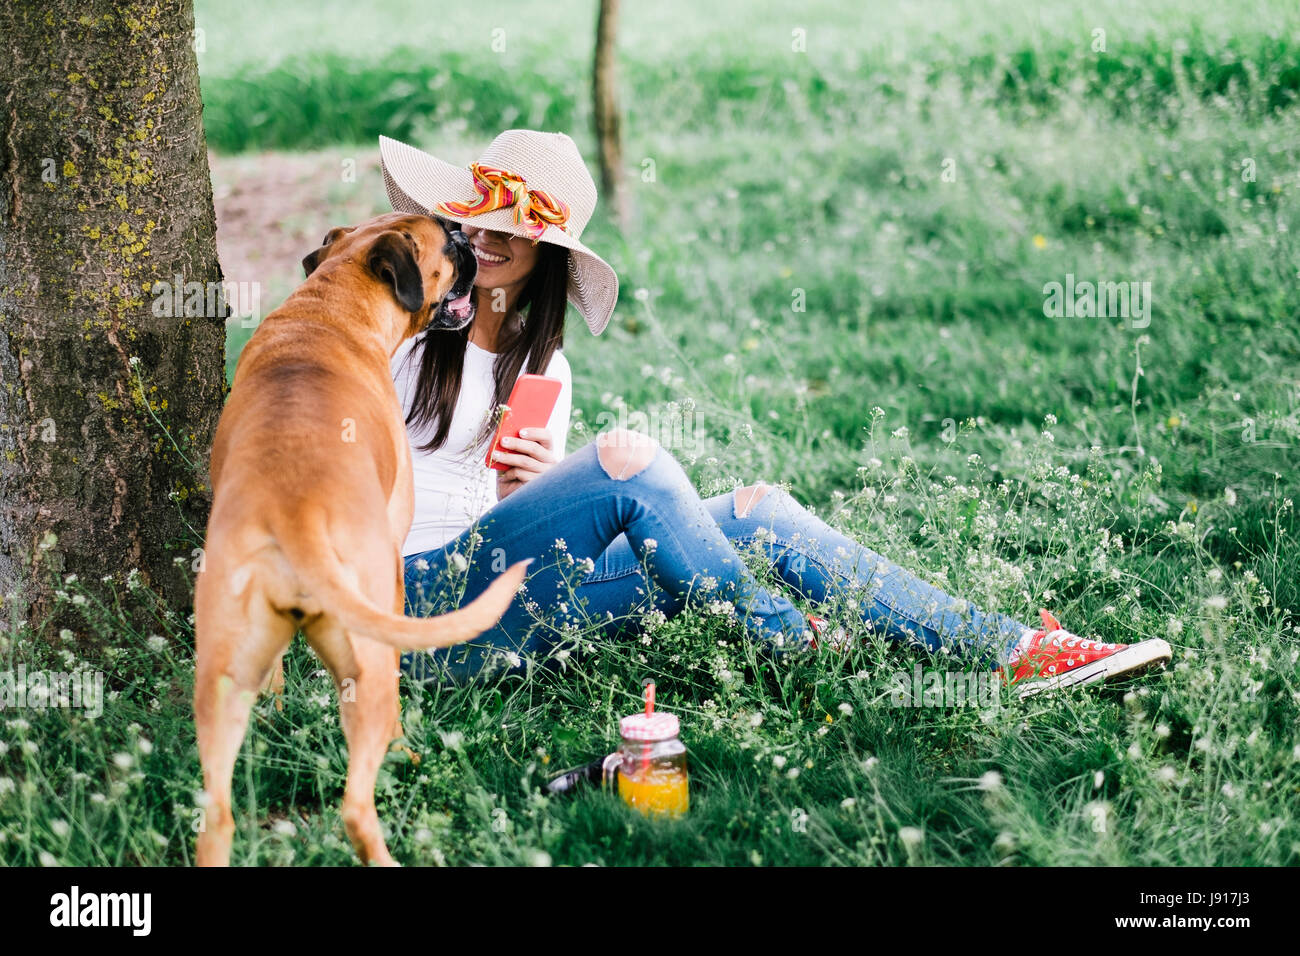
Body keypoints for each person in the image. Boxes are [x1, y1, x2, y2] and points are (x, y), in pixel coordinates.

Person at [378, 129, 1172, 697]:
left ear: (549, 252)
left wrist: (539, 488)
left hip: (503, 599)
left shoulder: (546, 366)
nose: (489, 237)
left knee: (758, 509)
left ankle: (1020, 651)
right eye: (478, 218)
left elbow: (518, 538)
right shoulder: (395, 334)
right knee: (632, 461)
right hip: (411, 609)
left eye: (514, 227)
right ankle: (792, 640)